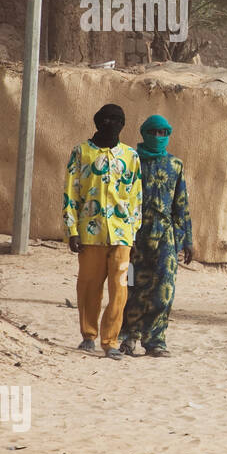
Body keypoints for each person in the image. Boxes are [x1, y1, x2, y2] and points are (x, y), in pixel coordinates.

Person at [63, 104, 142, 359]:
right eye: (107, 120)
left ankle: (111, 341)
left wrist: (134, 232)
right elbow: (71, 192)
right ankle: (88, 335)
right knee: (89, 286)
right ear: (98, 122)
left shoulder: (130, 156)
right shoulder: (81, 152)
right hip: (90, 233)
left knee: (120, 288)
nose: (112, 124)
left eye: (117, 120)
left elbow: (136, 197)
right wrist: (72, 229)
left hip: (122, 234)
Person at [119, 115, 194, 359]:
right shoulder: (131, 162)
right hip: (134, 235)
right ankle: (129, 337)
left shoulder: (175, 166)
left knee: (164, 288)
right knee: (131, 285)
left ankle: (155, 340)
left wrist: (187, 241)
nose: (159, 137)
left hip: (165, 236)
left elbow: (181, 204)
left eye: (164, 133)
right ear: (144, 134)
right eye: (154, 132)